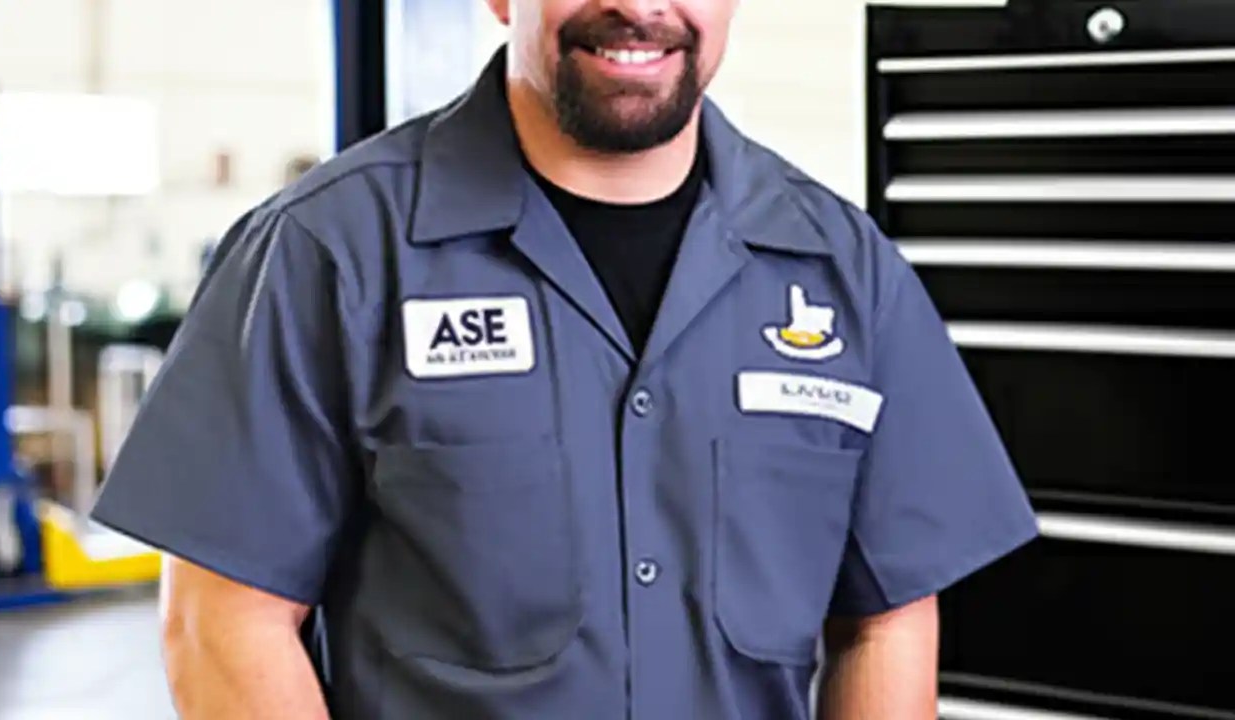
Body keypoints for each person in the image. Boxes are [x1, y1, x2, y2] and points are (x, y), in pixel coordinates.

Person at [90, 1, 1040, 718]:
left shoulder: (845, 271)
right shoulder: (328, 254)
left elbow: (885, 619)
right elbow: (223, 624)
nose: (639, 7)